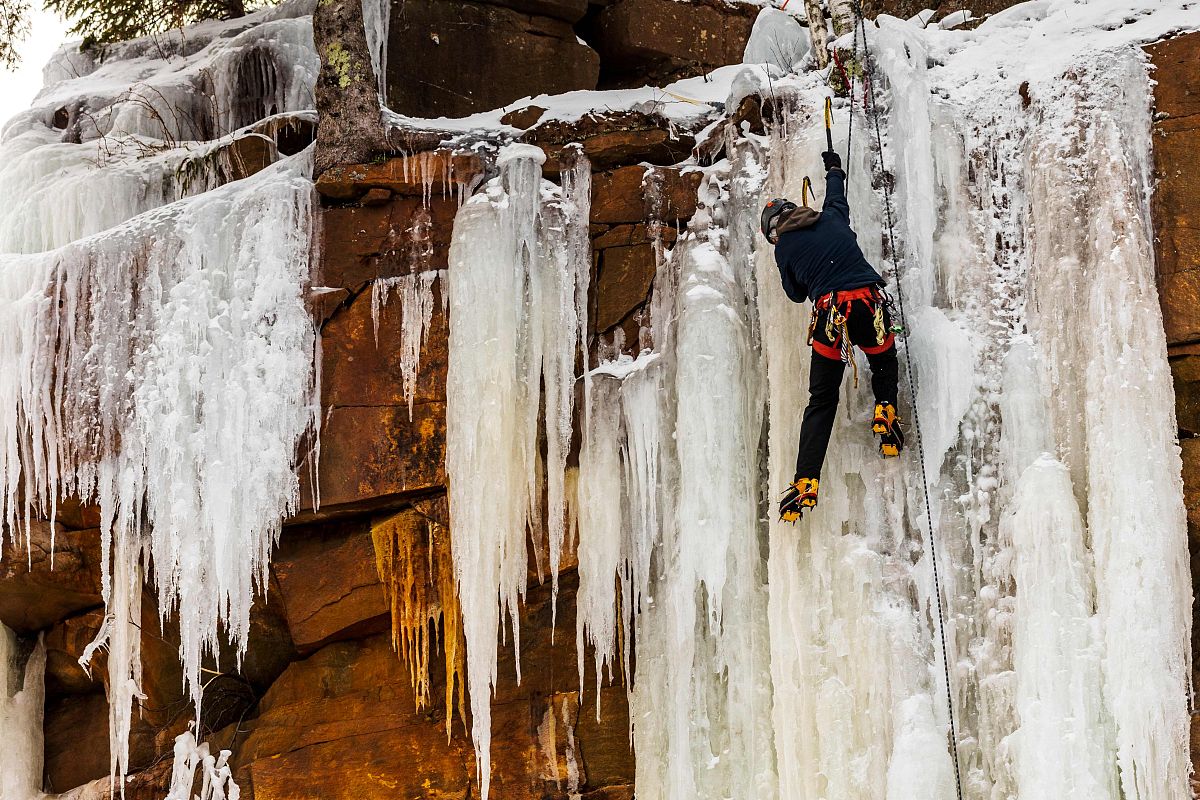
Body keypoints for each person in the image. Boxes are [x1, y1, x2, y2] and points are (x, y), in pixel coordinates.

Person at [760, 150, 904, 522]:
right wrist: (834, 168)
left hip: (831, 316)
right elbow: (836, 195)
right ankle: (885, 411)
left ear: (776, 231)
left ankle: (806, 480)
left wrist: (793, 258)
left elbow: (794, 294)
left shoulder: (785, 249)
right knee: (884, 359)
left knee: (822, 399)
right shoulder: (832, 217)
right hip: (869, 304)